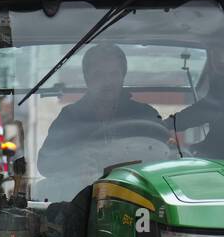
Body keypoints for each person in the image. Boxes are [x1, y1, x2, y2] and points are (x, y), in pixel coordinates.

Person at [37, 43, 165, 181]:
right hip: (82, 196)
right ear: (87, 78)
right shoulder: (70, 117)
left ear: (123, 76)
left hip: (136, 196)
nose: (107, 81)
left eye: (113, 74)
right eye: (99, 75)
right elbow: (45, 164)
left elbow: (164, 158)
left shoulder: (145, 115)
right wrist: (75, 161)